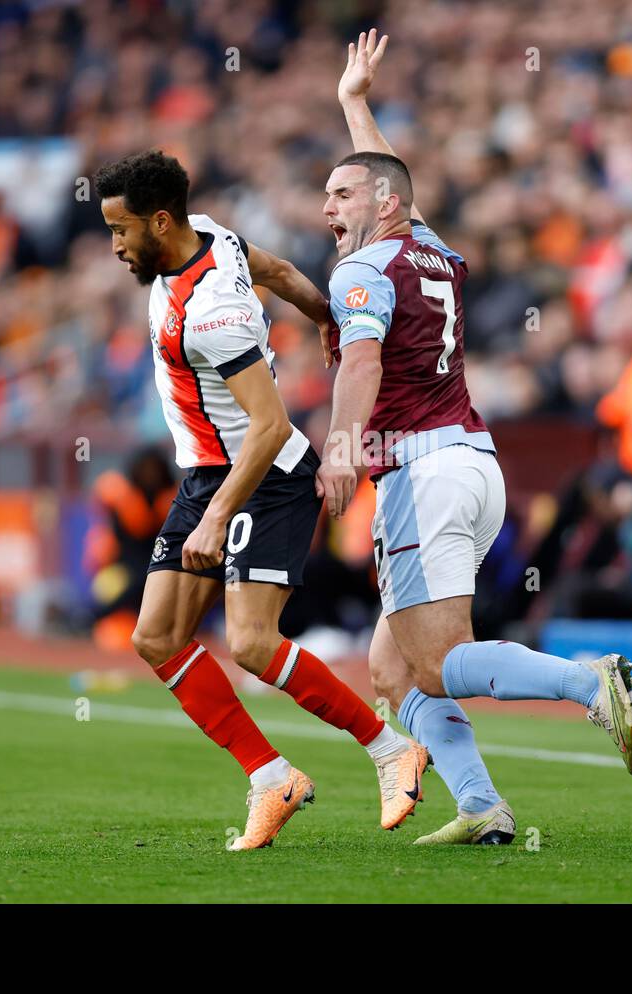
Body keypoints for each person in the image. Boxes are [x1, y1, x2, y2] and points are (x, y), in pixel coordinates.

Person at [316, 31, 632, 847]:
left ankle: (585, 680)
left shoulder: (359, 272)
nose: (328, 210)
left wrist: (339, 448)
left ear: (382, 205)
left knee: (437, 661)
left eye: (342, 195)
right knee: (392, 670)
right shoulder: (429, 249)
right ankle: (480, 806)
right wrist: (354, 101)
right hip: (473, 465)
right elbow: (396, 181)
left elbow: (358, 367)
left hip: (422, 473)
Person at [94, 150, 429, 852]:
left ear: (160, 222)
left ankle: (389, 748)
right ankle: (271, 776)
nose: (117, 246)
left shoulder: (211, 310)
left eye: (123, 231)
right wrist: (325, 319)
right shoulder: (211, 233)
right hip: (208, 471)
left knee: (249, 641)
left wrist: (218, 516)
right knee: (155, 635)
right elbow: (275, 270)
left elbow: (271, 424)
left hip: (263, 473)